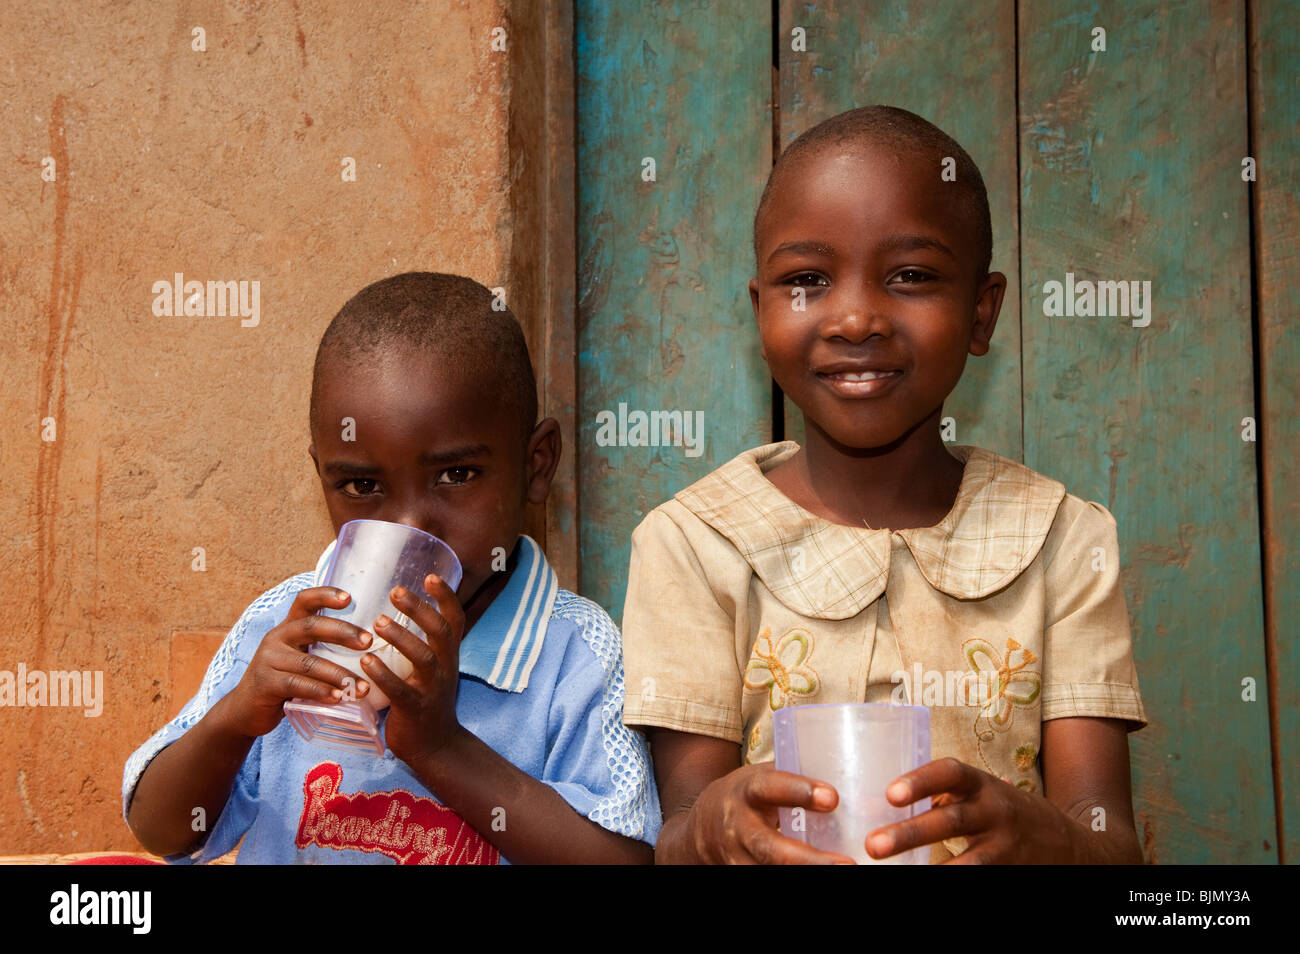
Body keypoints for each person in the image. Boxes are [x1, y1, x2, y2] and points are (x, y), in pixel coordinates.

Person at [621, 106, 1147, 864]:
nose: (857, 317)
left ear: (981, 311)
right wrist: (715, 825)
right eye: (807, 280)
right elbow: (676, 836)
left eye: (912, 276)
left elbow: (1111, 842)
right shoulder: (696, 543)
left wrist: (1048, 839)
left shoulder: (1062, 542)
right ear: (759, 309)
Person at [124, 272, 659, 864]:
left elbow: (624, 859)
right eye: (361, 485)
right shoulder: (288, 628)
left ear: (536, 465)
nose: (412, 527)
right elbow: (162, 829)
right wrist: (235, 718)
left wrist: (441, 748)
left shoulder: (572, 657)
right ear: (321, 477)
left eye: (455, 475)